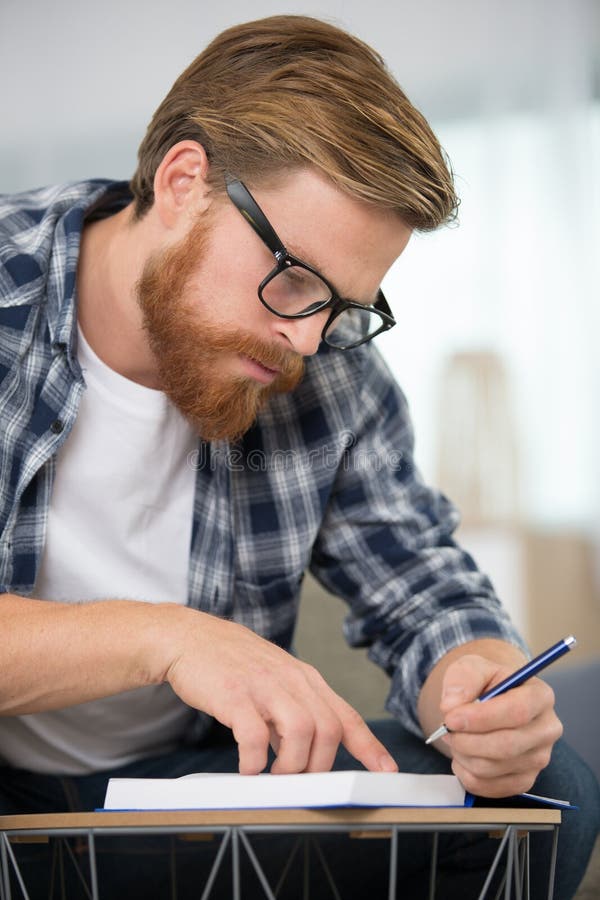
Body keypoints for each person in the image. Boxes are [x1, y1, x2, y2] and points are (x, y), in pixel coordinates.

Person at [0, 14, 597, 900]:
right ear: (183, 181)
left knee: (552, 796)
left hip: (174, 793)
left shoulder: (324, 361)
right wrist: (167, 640)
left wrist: (472, 684)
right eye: (295, 278)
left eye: (346, 306)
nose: (308, 341)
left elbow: (421, 585)